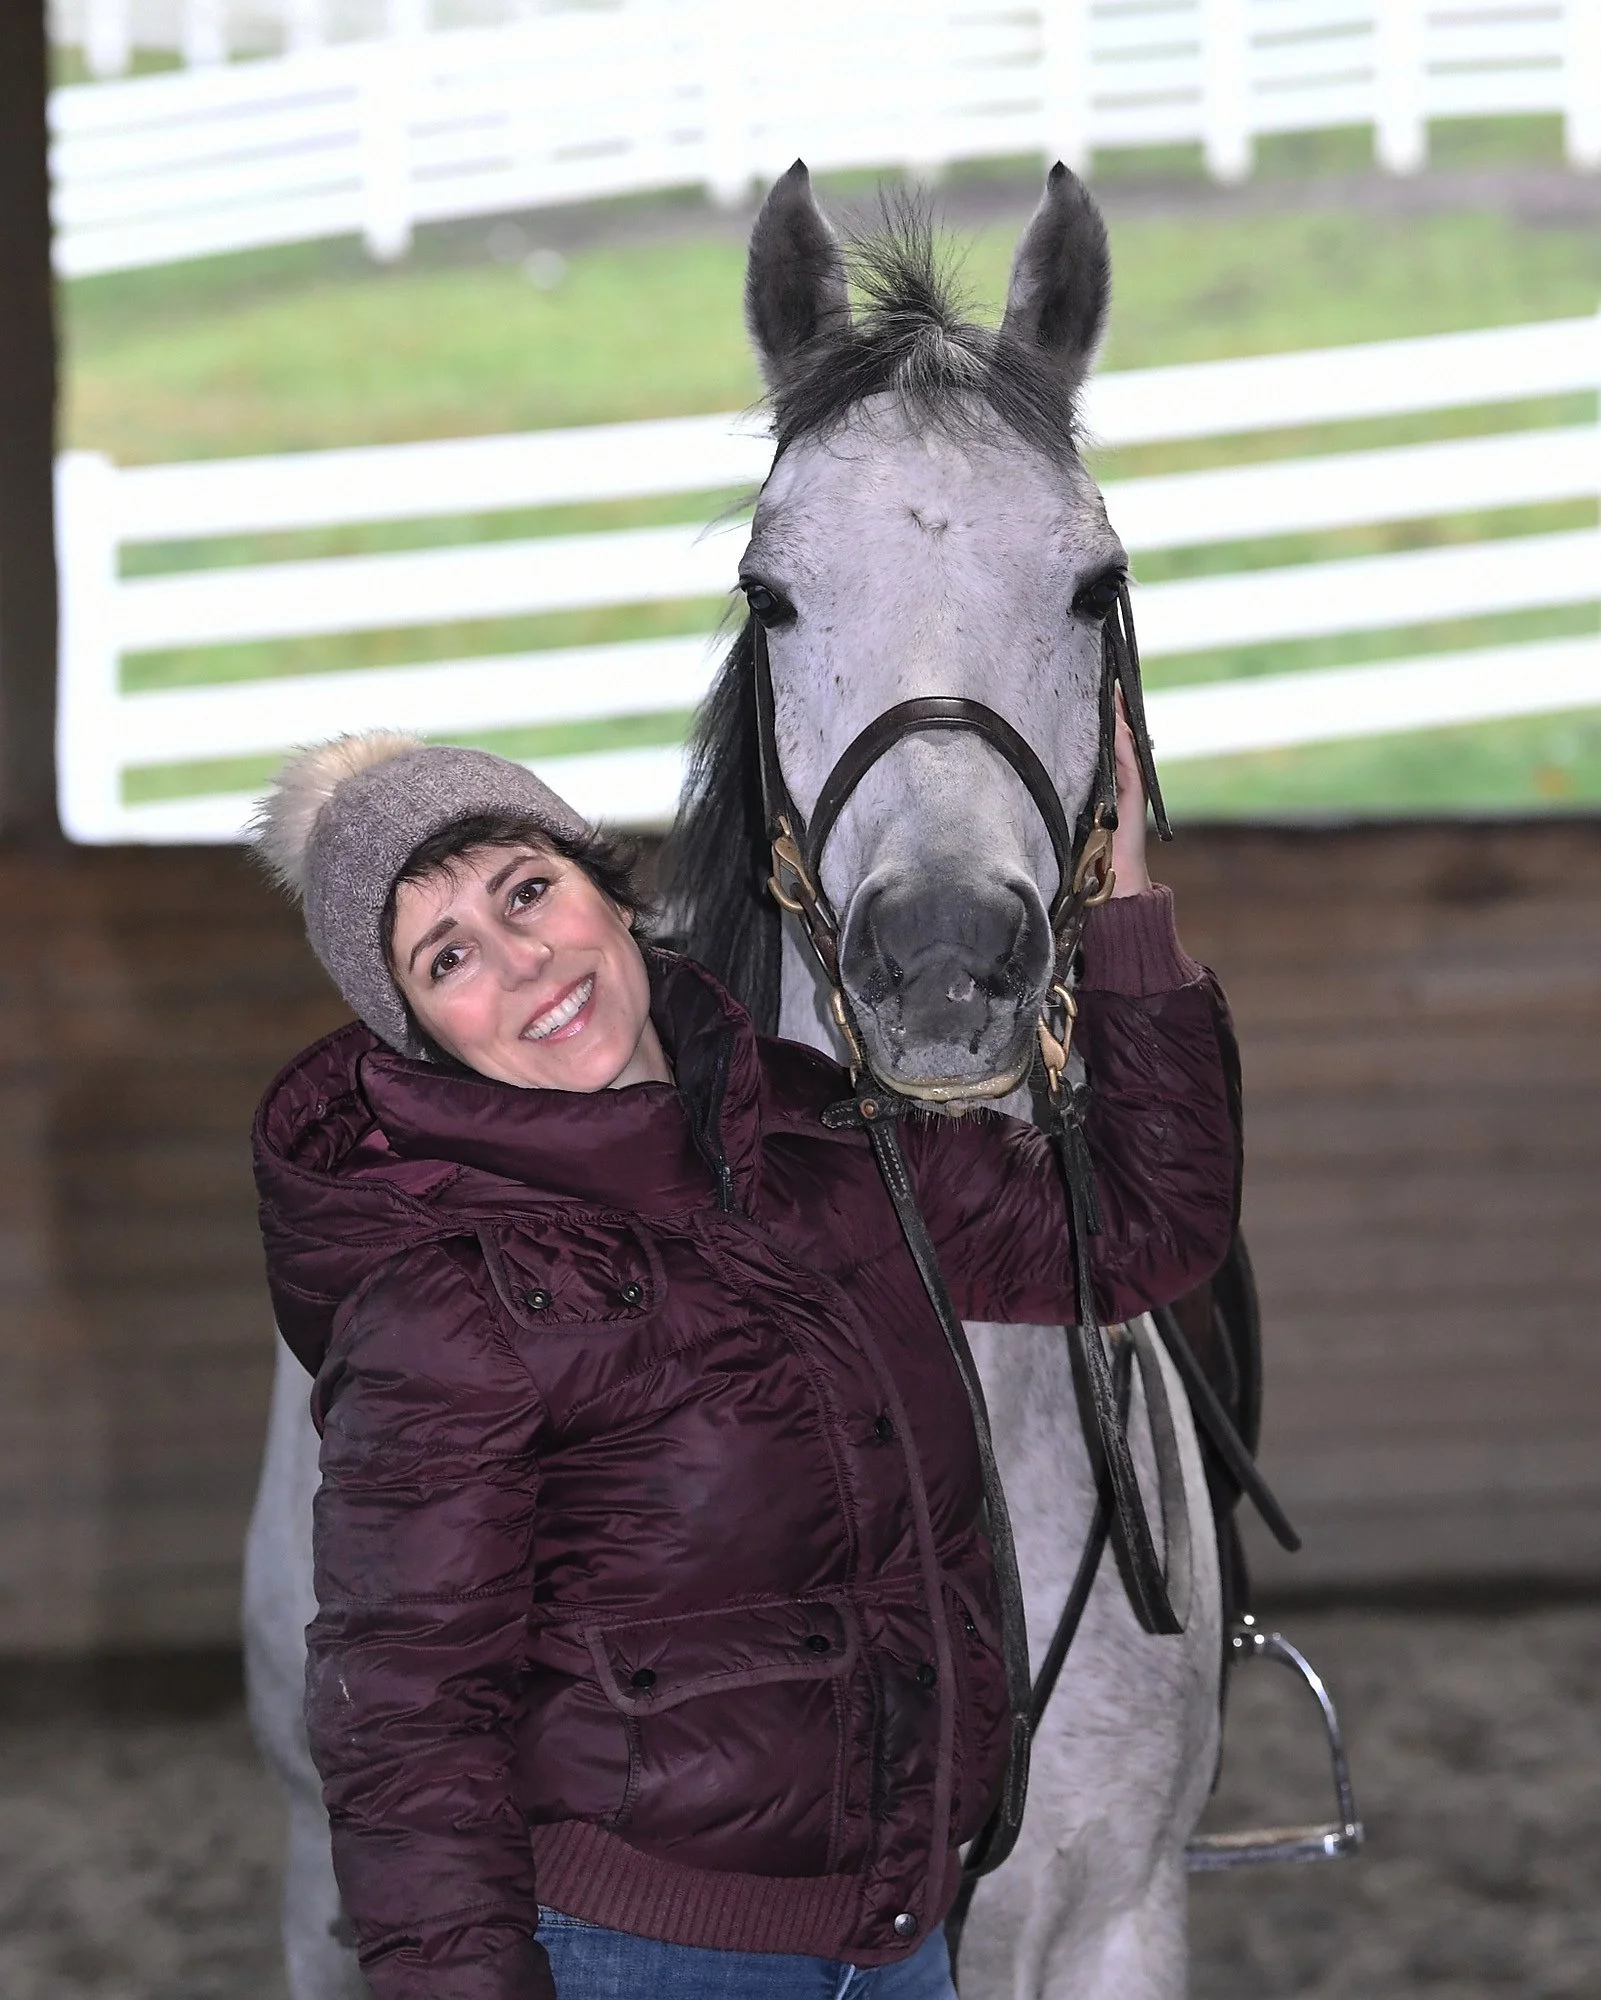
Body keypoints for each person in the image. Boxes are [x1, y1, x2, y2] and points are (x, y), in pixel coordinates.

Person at [251, 726, 1240, 2000]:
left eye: (528, 890)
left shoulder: (827, 1137)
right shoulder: (441, 1299)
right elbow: (406, 1721)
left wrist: (1117, 908)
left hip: (891, 1940)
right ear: (418, 1032)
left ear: (608, 888)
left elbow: (1136, 1235)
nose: (523, 961)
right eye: (448, 958)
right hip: (629, 1956)